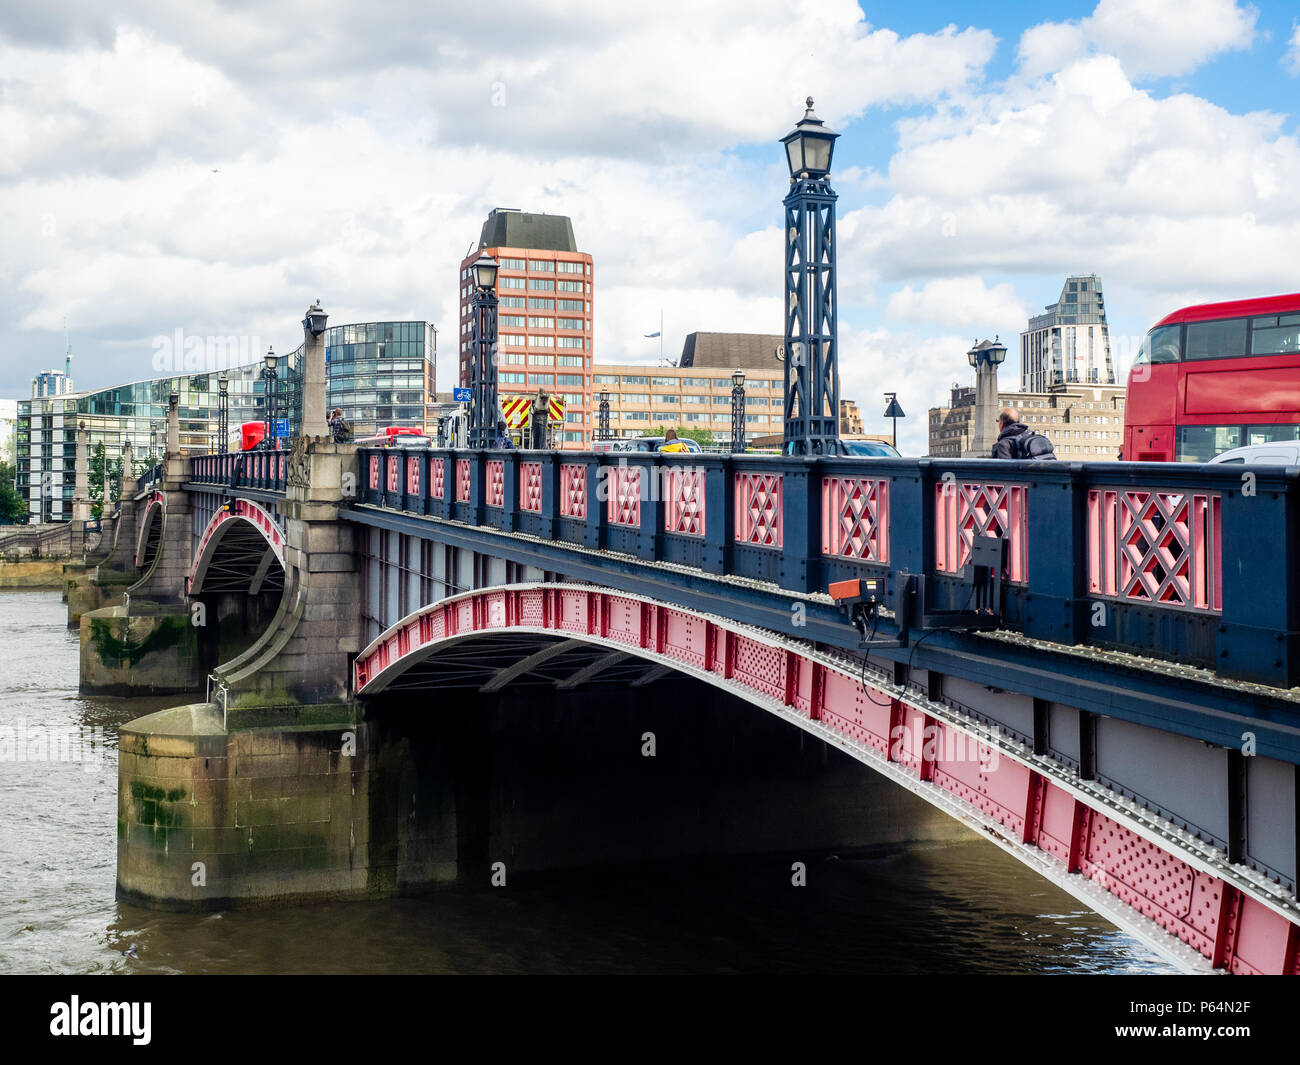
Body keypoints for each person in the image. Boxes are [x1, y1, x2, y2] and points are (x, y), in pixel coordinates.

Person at [991, 407, 1056, 460]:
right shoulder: (1028, 435)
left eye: (998, 421)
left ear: (1001, 423)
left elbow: (1004, 472)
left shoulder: (1004, 444)